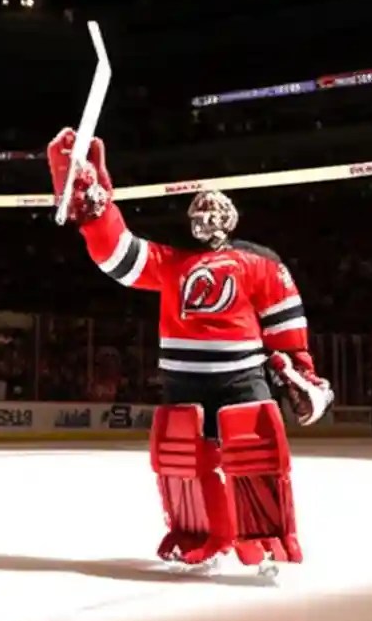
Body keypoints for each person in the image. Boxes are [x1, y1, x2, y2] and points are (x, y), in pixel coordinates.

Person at [46, 128, 333, 571]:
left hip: (241, 376)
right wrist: (95, 207)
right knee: (182, 457)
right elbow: (117, 255)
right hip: (186, 378)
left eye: (217, 212)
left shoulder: (259, 262)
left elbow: (285, 322)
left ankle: (265, 532)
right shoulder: (173, 262)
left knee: (253, 453)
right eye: (203, 211)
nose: (210, 219)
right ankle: (206, 531)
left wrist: (300, 370)